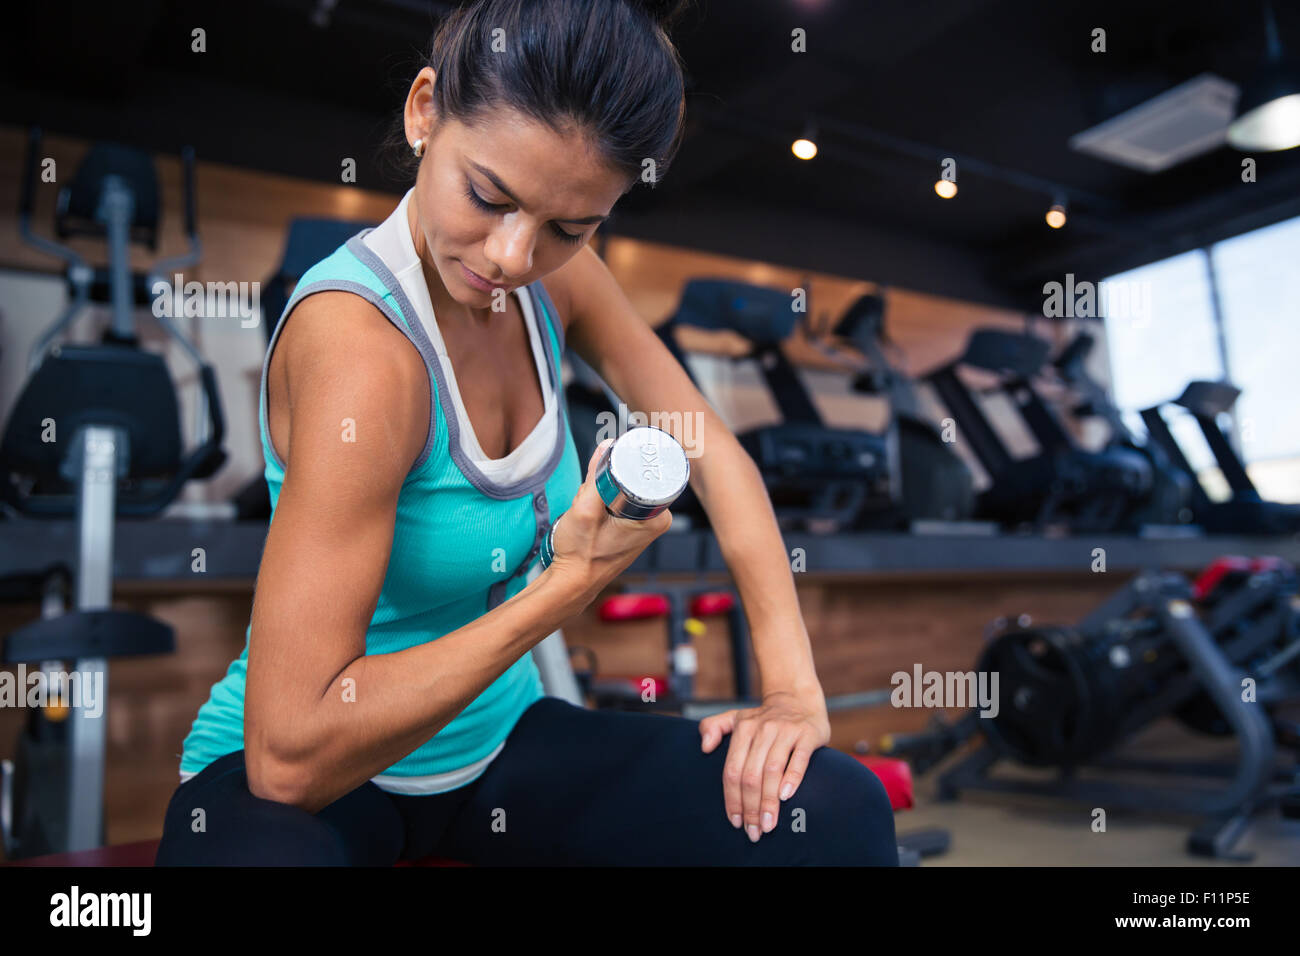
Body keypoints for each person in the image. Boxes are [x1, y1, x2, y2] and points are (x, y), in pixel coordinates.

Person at [156, 0, 898, 866]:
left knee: (835, 809)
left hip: (494, 752)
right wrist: (565, 584)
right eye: (488, 195)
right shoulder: (360, 345)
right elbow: (290, 758)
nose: (513, 256)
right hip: (316, 775)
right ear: (425, 110)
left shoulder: (562, 283)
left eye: (567, 226)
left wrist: (793, 693)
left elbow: (714, 451)